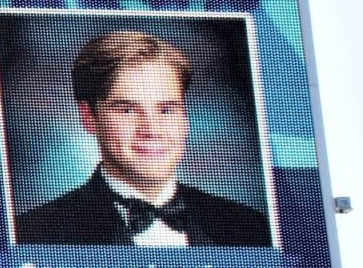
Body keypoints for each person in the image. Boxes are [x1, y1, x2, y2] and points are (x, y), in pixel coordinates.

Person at [13, 29, 271, 247]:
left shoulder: (251, 227)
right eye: (127, 109)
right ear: (89, 117)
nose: (151, 129)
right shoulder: (34, 233)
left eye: (167, 109)